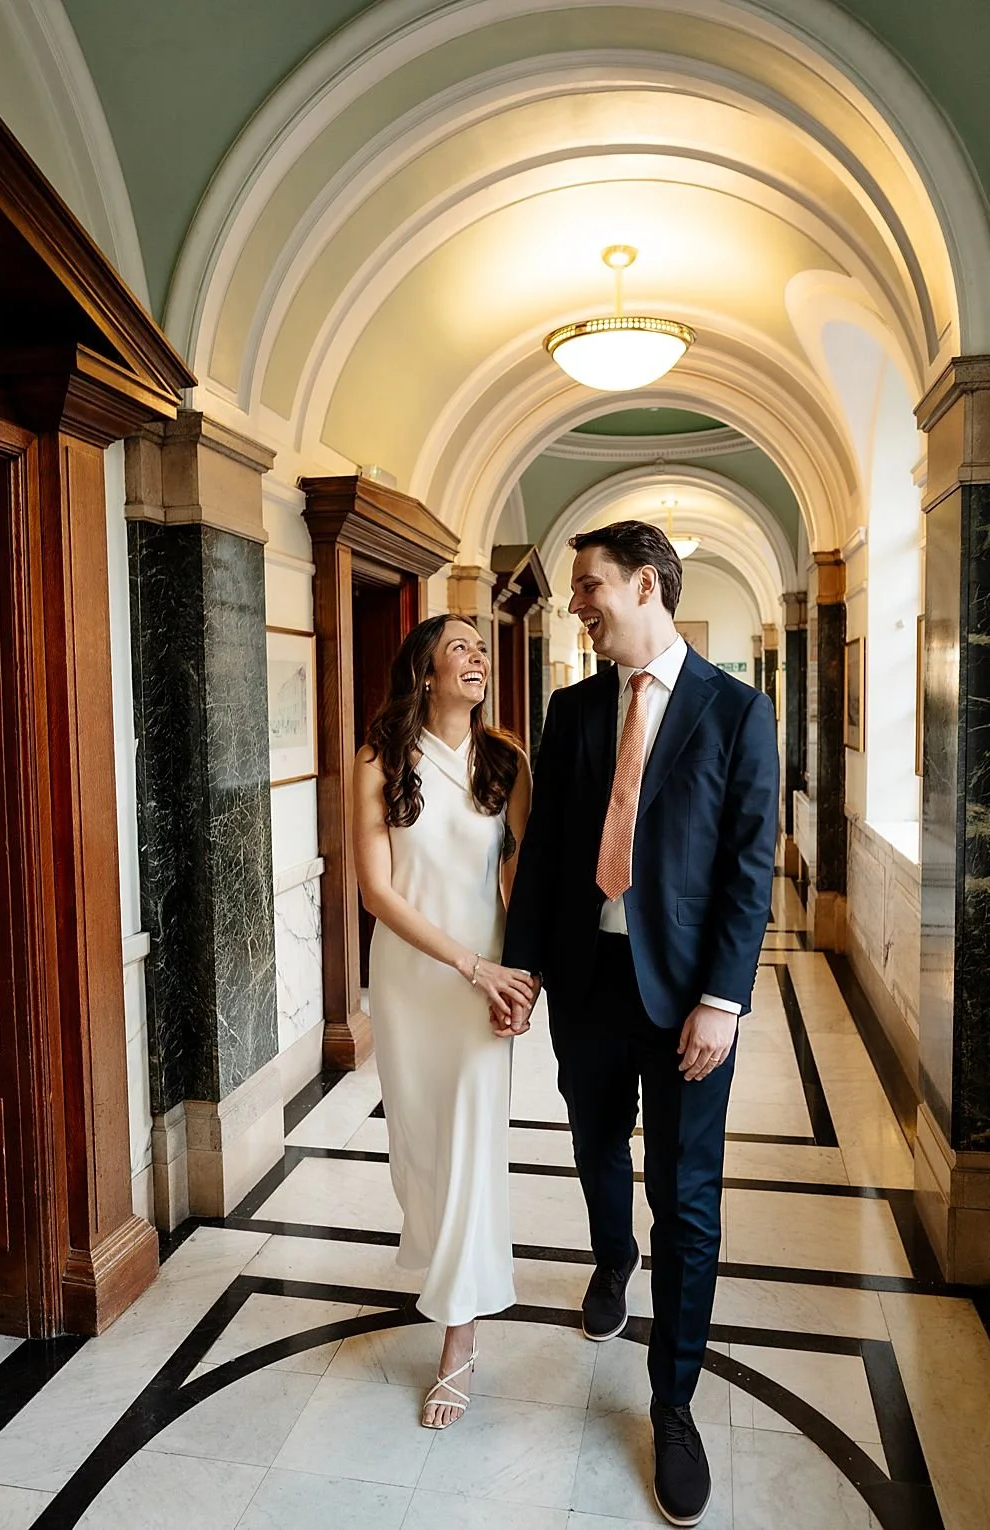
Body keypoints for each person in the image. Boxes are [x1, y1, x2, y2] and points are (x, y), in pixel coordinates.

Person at [501, 520, 775, 1527]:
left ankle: (673, 1403)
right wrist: (524, 969)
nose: (576, 601)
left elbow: (750, 866)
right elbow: (547, 856)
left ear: (647, 585)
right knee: (592, 1140)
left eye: (589, 584)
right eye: (576, 587)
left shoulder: (738, 713)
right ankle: (612, 1255)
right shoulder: (571, 711)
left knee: (689, 1199)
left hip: (687, 997)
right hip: (586, 980)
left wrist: (724, 1001)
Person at [353, 614, 533, 1430]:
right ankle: (442, 1265)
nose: (478, 657)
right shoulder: (378, 762)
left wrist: (519, 975)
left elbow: (529, 879)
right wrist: (467, 962)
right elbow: (377, 895)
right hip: (408, 983)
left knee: (469, 1147)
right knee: (420, 1148)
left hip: (480, 989)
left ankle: (459, 1340)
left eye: (480, 647)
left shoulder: (506, 762)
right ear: (424, 671)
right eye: (459, 646)